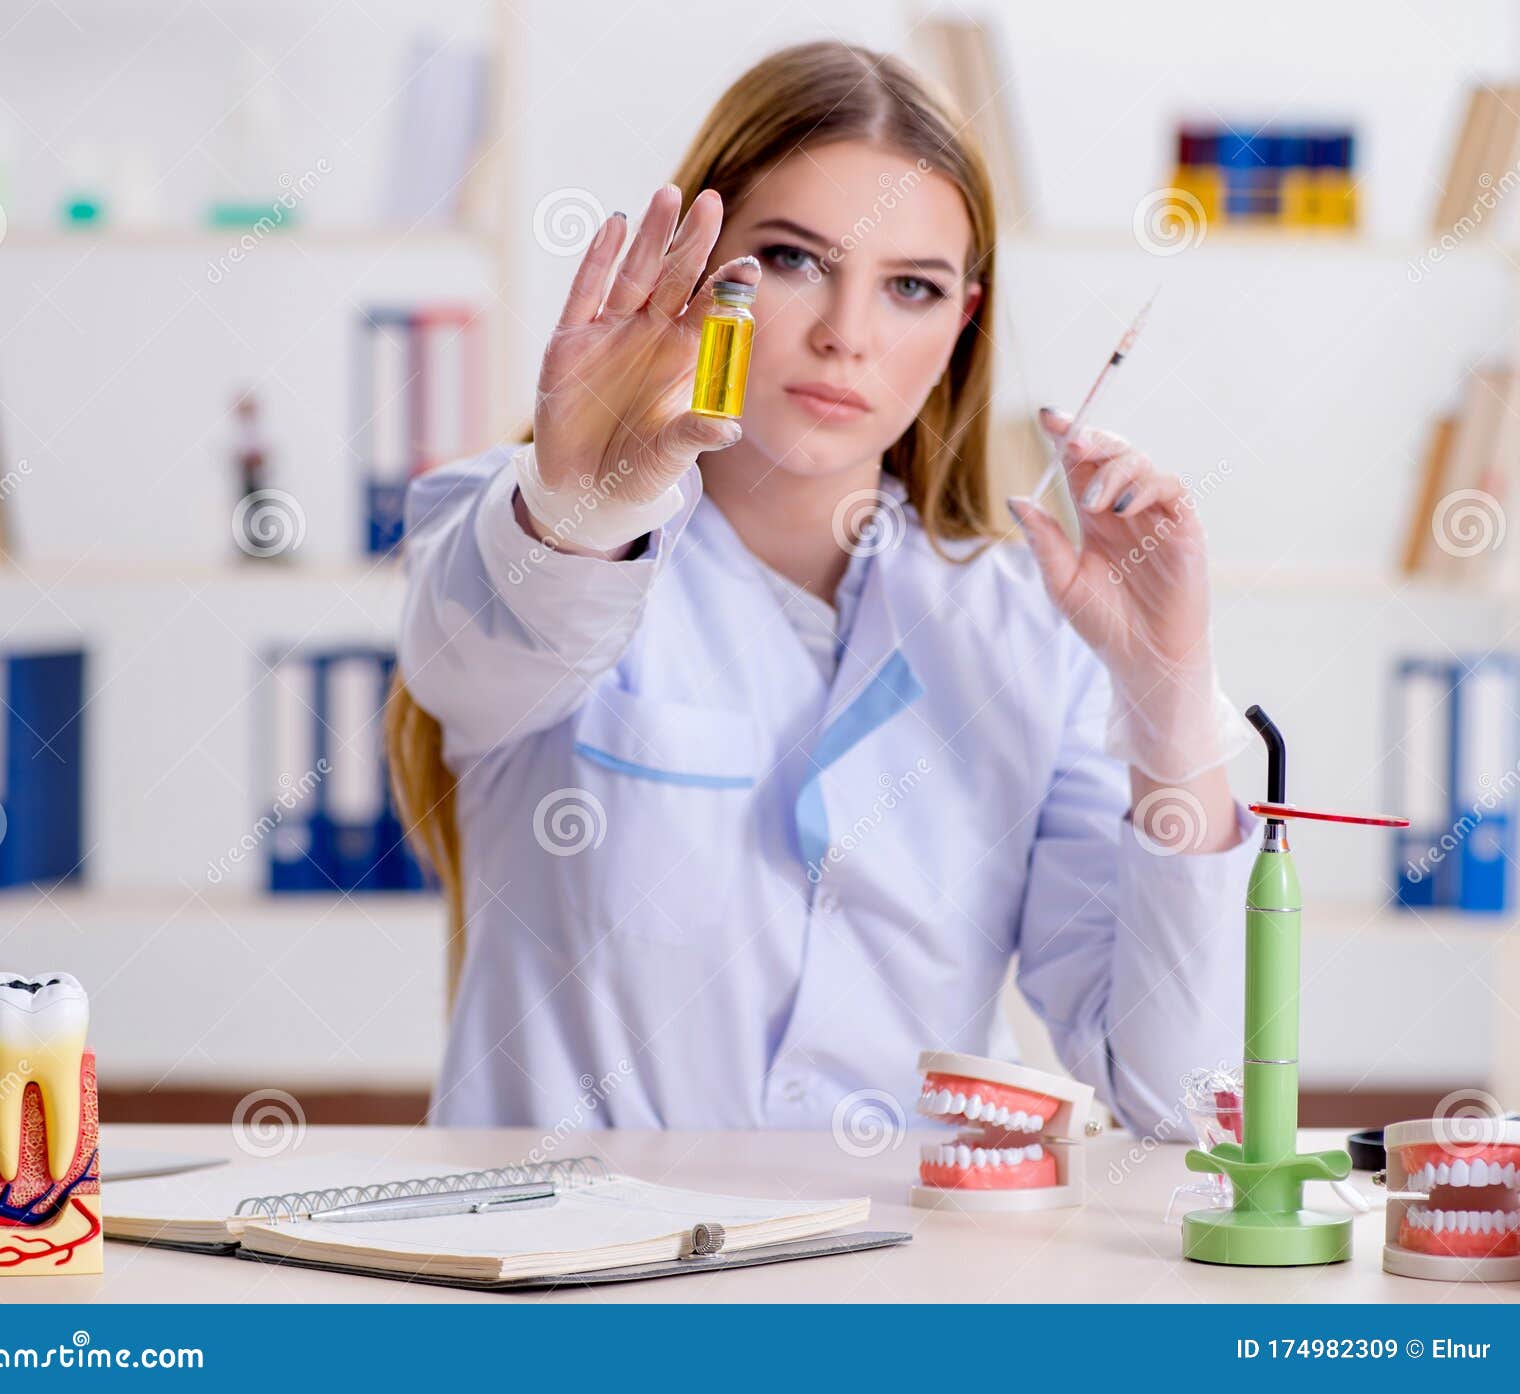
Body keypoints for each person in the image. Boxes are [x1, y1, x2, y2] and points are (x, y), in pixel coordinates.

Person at [388, 40, 1257, 1138]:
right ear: (694, 274)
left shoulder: (1030, 623)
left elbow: (1179, 1096)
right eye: (792, 260)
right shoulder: (530, 529)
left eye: (910, 287)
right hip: (572, 1286)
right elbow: (472, 662)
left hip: (898, 1285)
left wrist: (1168, 699)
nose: (847, 333)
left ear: (961, 324)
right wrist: (580, 502)